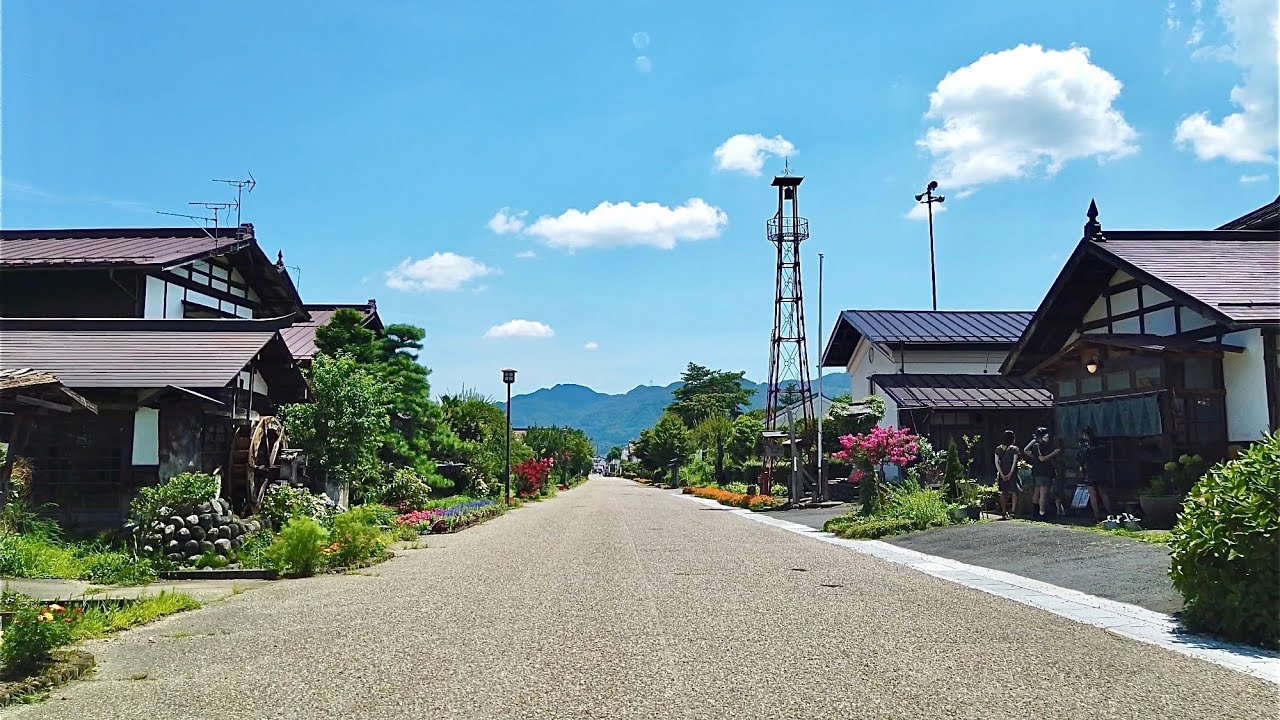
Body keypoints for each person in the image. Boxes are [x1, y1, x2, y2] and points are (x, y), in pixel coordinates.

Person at [1024, 427, 1061, 519]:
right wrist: (1054, 453)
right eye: (1046, 436)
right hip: (1043, 472)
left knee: (1037, 491)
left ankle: (1035, 512)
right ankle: (1042, 513)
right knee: (1043, 493)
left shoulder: (1039, 445)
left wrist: (1034, 458)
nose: (1047, 438)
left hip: (1038, 471)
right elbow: (1042, 458)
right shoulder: (1038, 445)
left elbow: (1026, 451)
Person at [1078, 427, 1111, 523]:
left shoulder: (1085, 446)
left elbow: (1081, 459)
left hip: (1090, 471)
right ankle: (1110, 513)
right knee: (1103, 493)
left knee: (1093, 494)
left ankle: (1097, 516)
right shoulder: (1100, 444)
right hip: (1101, 471)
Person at [993, 430, 1022, 519]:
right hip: (1012, 473)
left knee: (1003, 492)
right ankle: (1013, 511)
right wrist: (1010, 474)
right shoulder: (1014, 449)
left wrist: (1001, 474)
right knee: (1014, 492)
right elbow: (1014, 462)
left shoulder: (998, 449)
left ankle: (1003, 511)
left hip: (1002, 472)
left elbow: (996, 462)